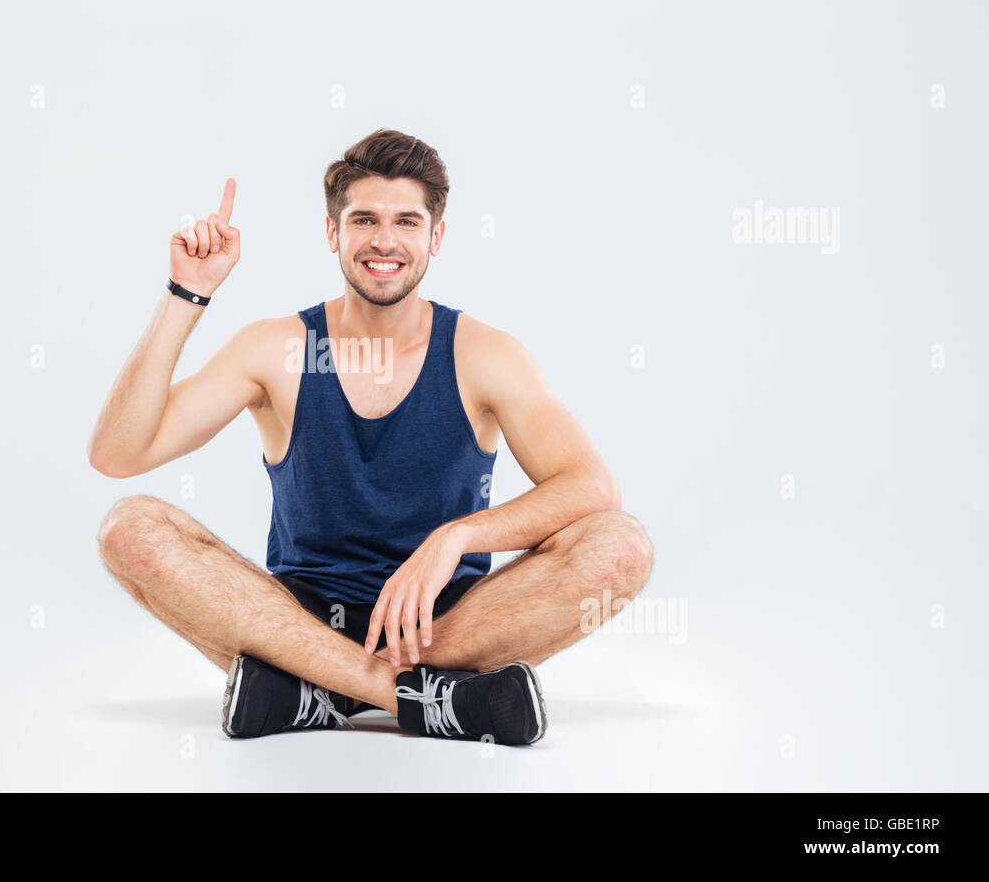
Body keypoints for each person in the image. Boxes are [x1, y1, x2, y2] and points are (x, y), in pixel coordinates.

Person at [88, 129, 654, 745]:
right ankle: (419, 699)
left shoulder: (484, 354)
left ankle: (317, 696)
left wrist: (453, 539)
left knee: (621, 546)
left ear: (436, 237)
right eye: (364, 220)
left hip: (449, 624)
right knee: (129, 528)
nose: (385, 240)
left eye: (407, 221)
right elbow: (118, 453)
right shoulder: (277, 349)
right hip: (297, 625)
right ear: (333, 233)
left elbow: (592, 488)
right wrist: (186, 294)